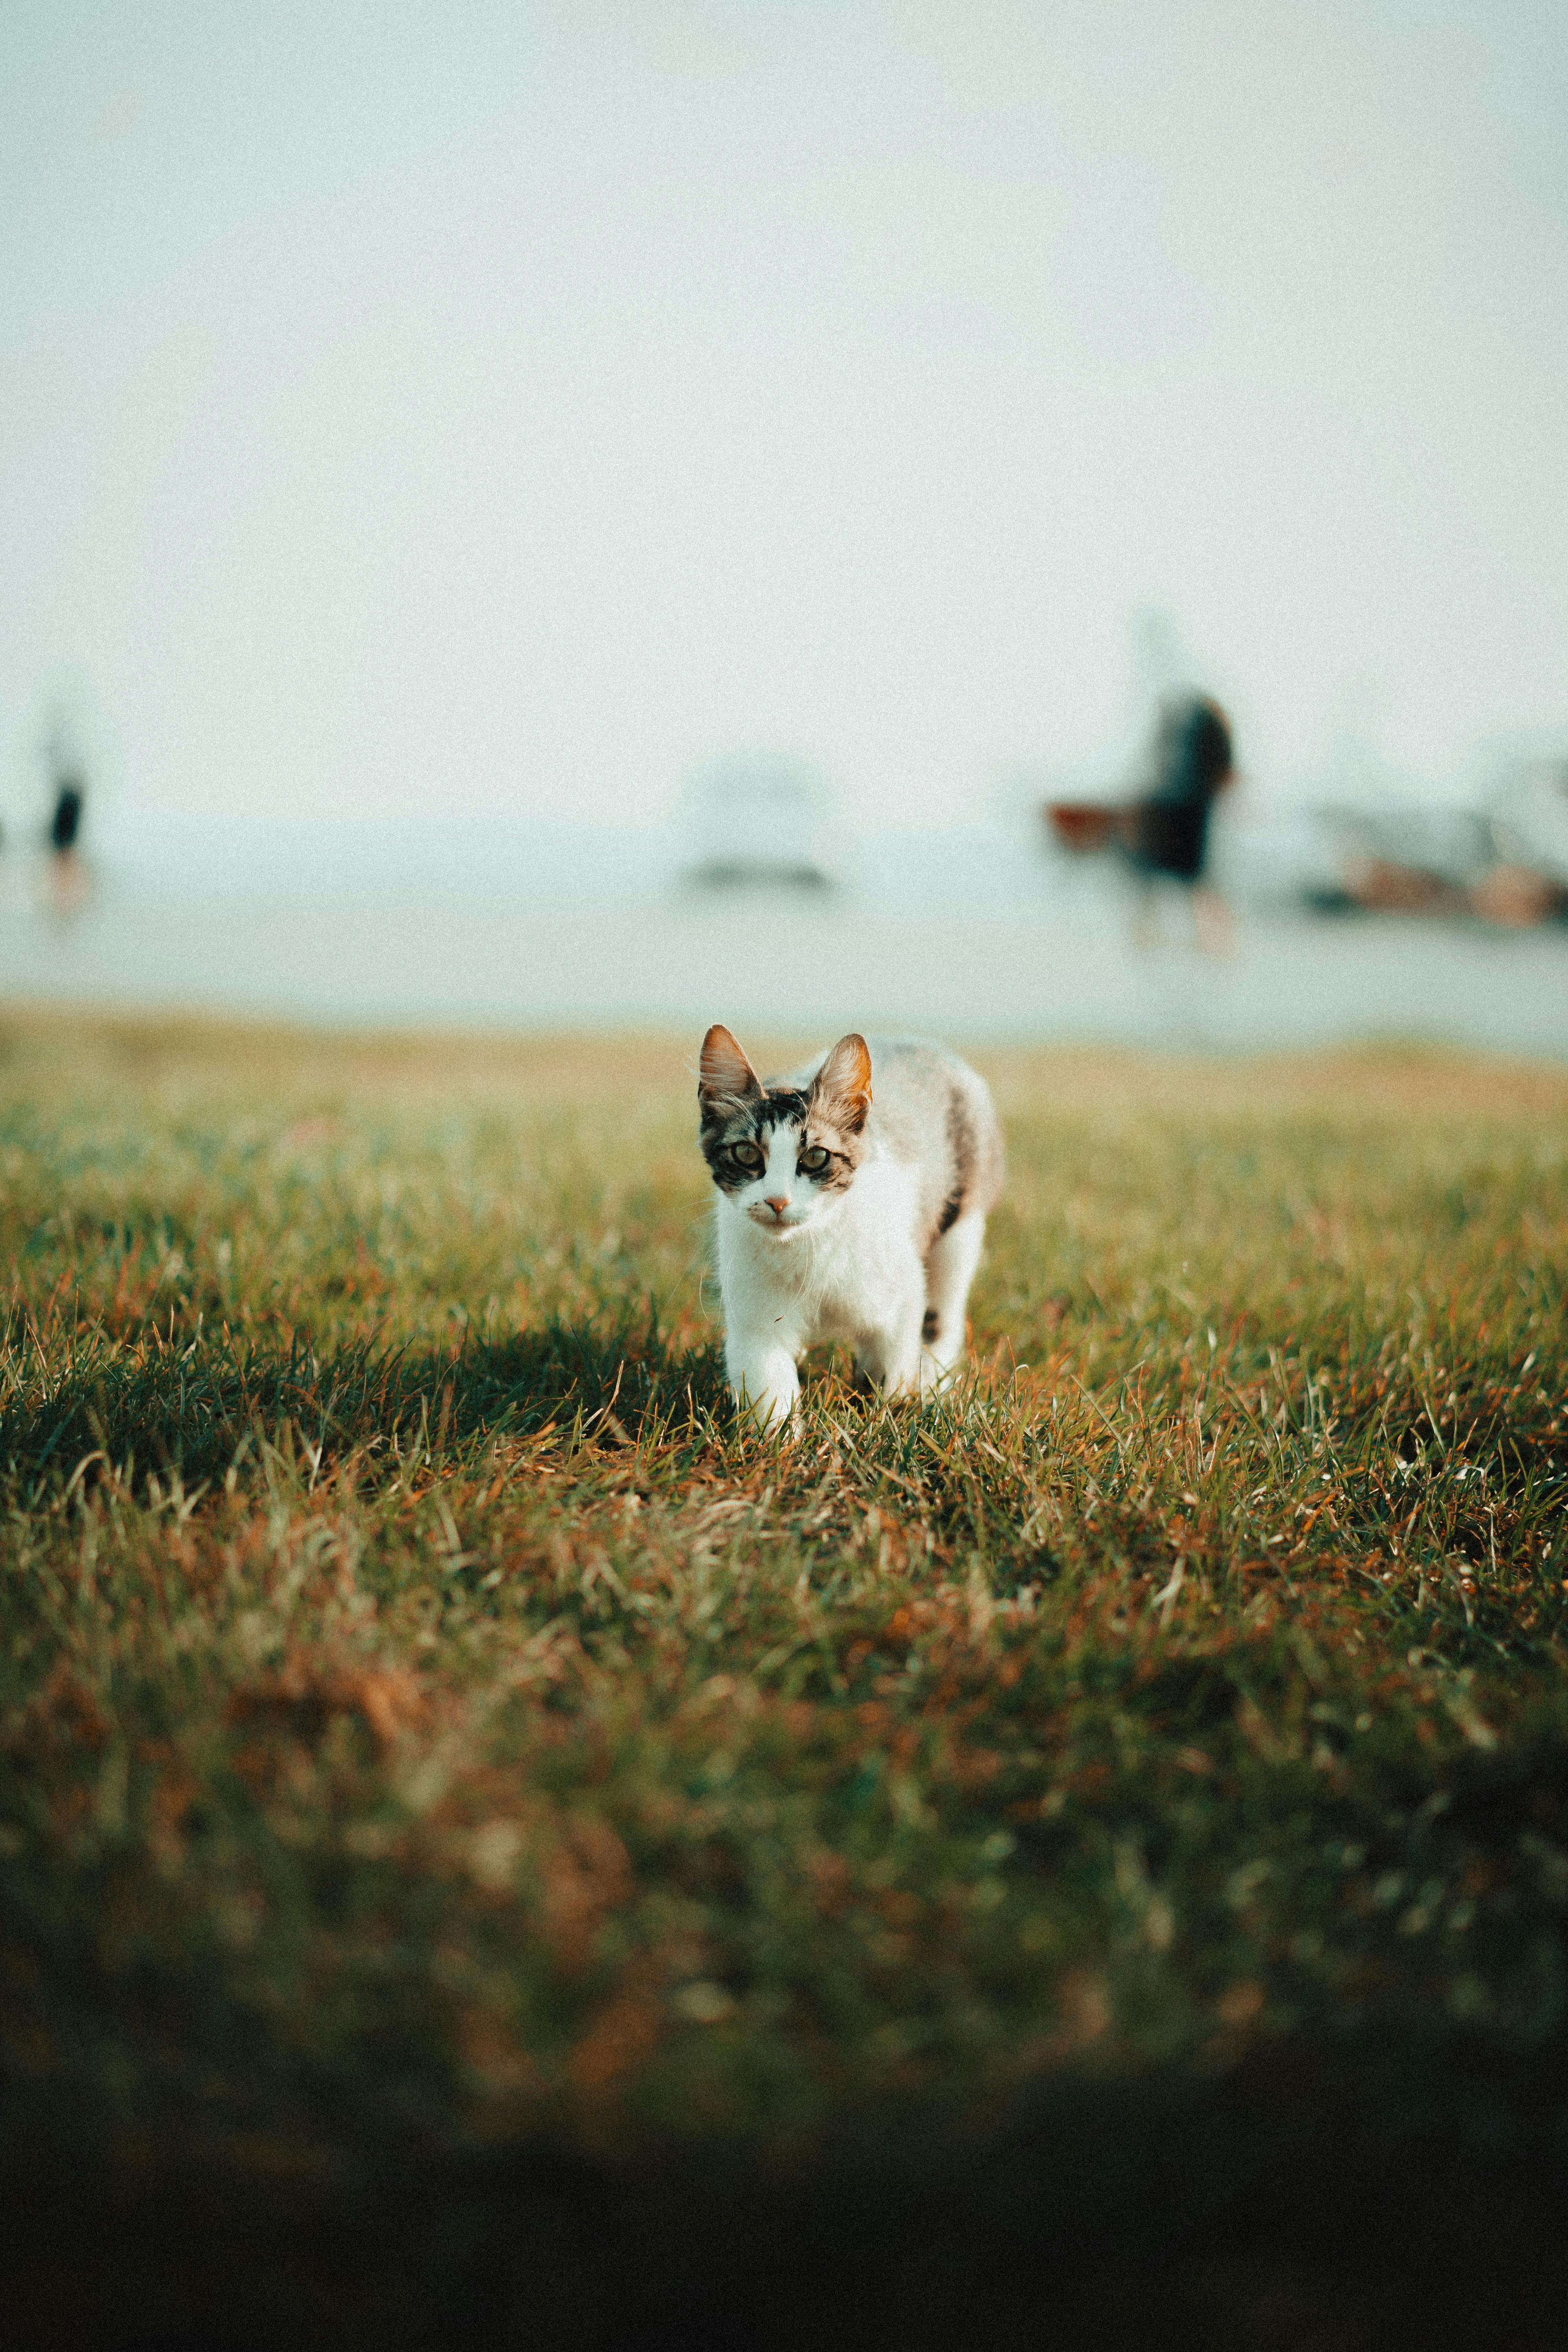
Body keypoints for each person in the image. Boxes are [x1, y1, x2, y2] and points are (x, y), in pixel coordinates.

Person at [1045, 693, 1237, 952]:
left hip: (1180, 822)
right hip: (1176, 821)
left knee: (1190, 880)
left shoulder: (1195, 744)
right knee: (1186, 881)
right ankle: (1174, 937)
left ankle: (1192, 939)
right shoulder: (1191, 746)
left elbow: (1201, 782)